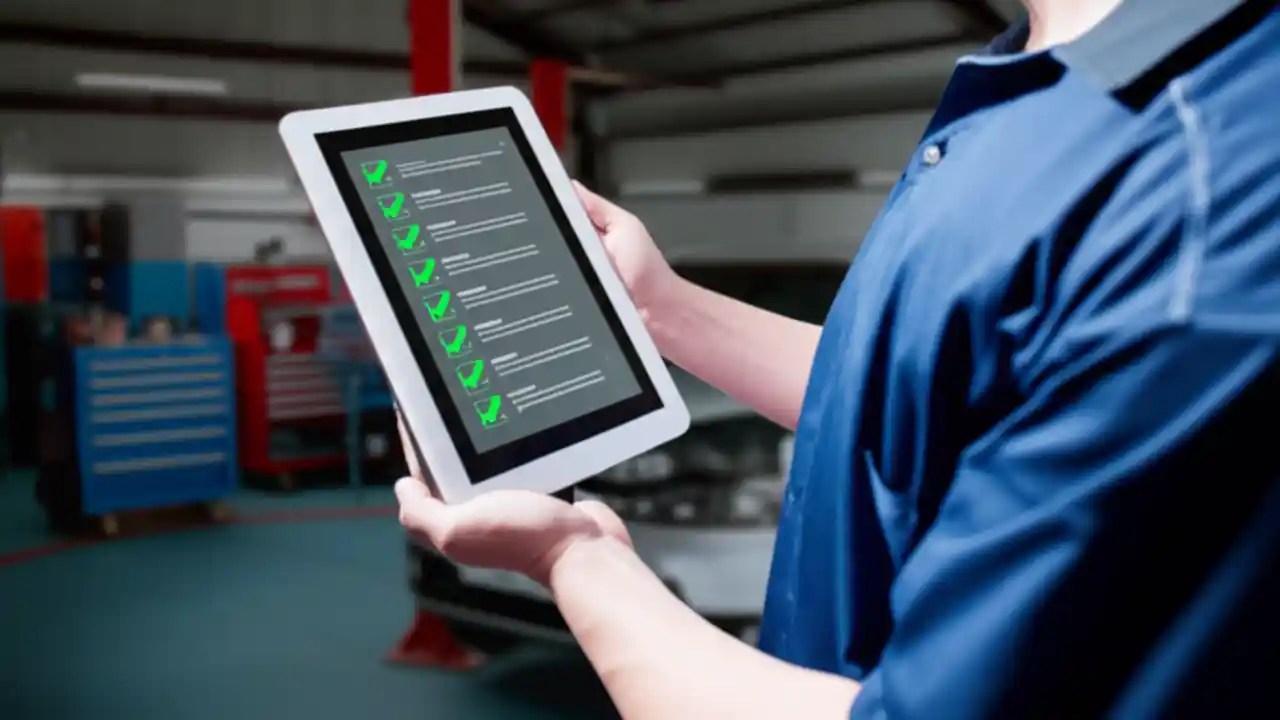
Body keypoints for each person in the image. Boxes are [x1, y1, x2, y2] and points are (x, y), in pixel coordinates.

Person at [395, 0, 1280, 716]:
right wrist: (662, 307)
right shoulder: (1040, 81)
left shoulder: (1200, 190)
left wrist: (576, 557)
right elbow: (934, 392)